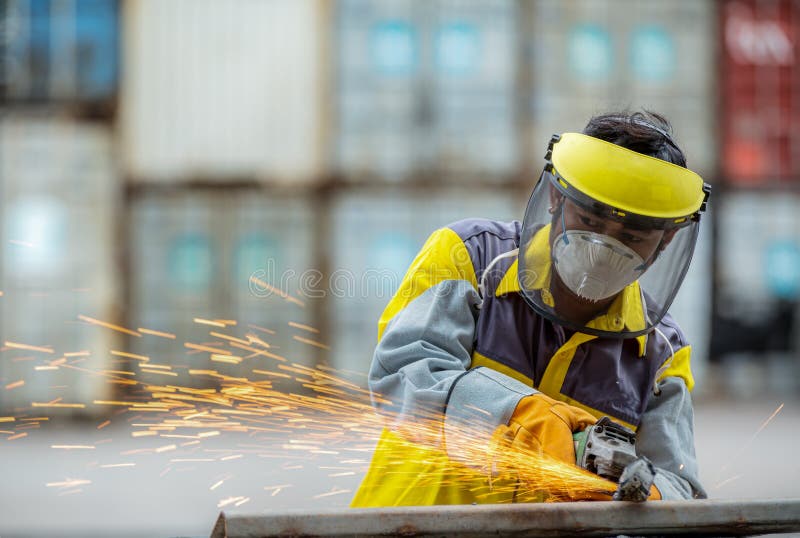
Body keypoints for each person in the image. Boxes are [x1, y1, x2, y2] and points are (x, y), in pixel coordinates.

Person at [350, 111, 711, 507]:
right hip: (408, 531)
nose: (601, 248)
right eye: (588, 220)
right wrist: (518, 413)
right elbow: (402, 376)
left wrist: (646, 494)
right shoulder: (469, 256)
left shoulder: (661, 353)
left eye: (632, 236)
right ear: (557, 197)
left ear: (667, 238)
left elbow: (681, 488)